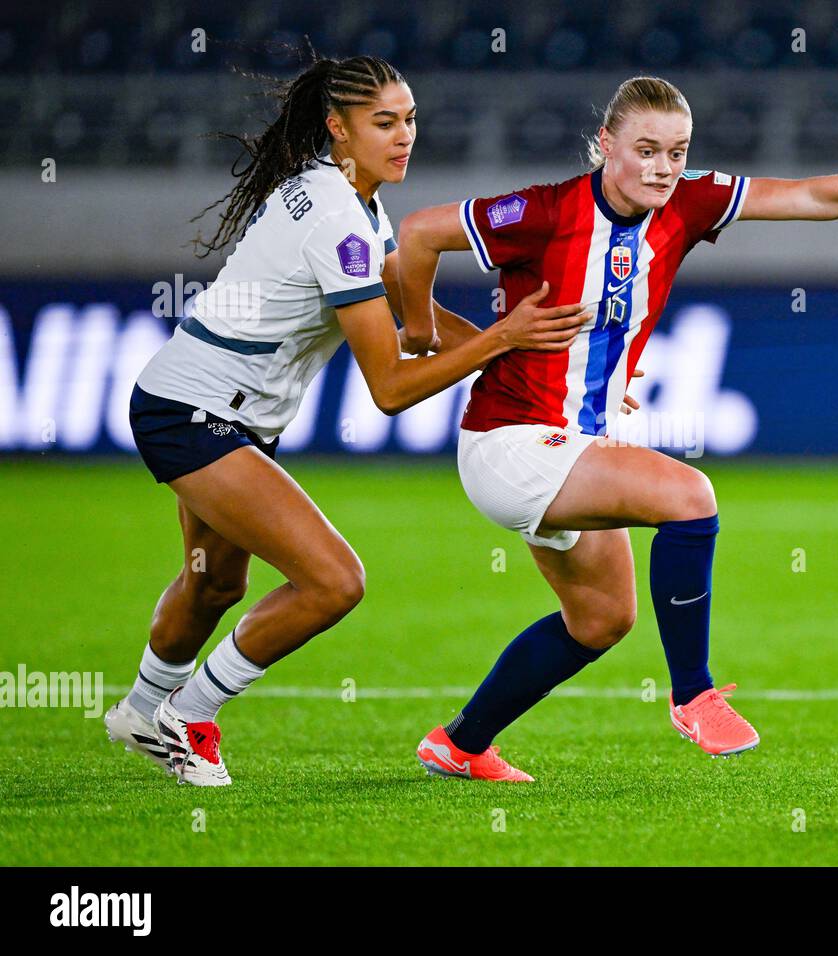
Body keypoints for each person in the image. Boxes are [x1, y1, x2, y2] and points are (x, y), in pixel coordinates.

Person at [396, 75, 838, 782]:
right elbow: (415, 237)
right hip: (509, 444)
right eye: (647, 150)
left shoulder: (690, 199)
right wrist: (431, 332)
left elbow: (812, 197)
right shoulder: (542, 212)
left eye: (677, 151)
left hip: (572, 440)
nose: (663, 168)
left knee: (599, 621)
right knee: (690, 497)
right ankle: (693, 693)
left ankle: (460, 743)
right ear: (606, 146)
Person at [104, 53, 588, 786]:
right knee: (334, 581)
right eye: (384, 122)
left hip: (210, 408)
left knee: (213, 584)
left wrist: (526, 356)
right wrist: (501, 340)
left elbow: (410, 312)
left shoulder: (346, 198)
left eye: (411, 119)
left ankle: (141, 711)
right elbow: (391, 386)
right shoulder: (339, 221)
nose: (404, 136)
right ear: (338, 128)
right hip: (192, 413)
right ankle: (190, 714)